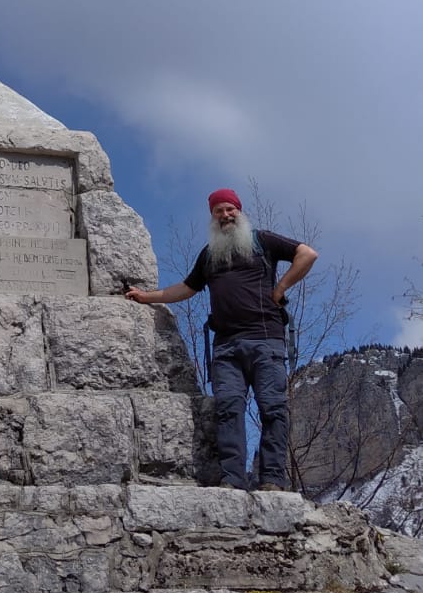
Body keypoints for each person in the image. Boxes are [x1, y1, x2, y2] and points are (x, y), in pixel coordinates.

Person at [126, 188, 318, 490]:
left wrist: (280, 289)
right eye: (219, 211)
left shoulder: (262, 241)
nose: (226, 215)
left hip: (266, 340)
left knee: (273, 408)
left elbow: (307, 254)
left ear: (240, 212)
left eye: (230, 210)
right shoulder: (209, 254)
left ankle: (272, 480)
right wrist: (145, 297)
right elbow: (187, 289)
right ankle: (232, 480)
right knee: (228, 408)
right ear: (212, 217)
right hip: (226, 345)